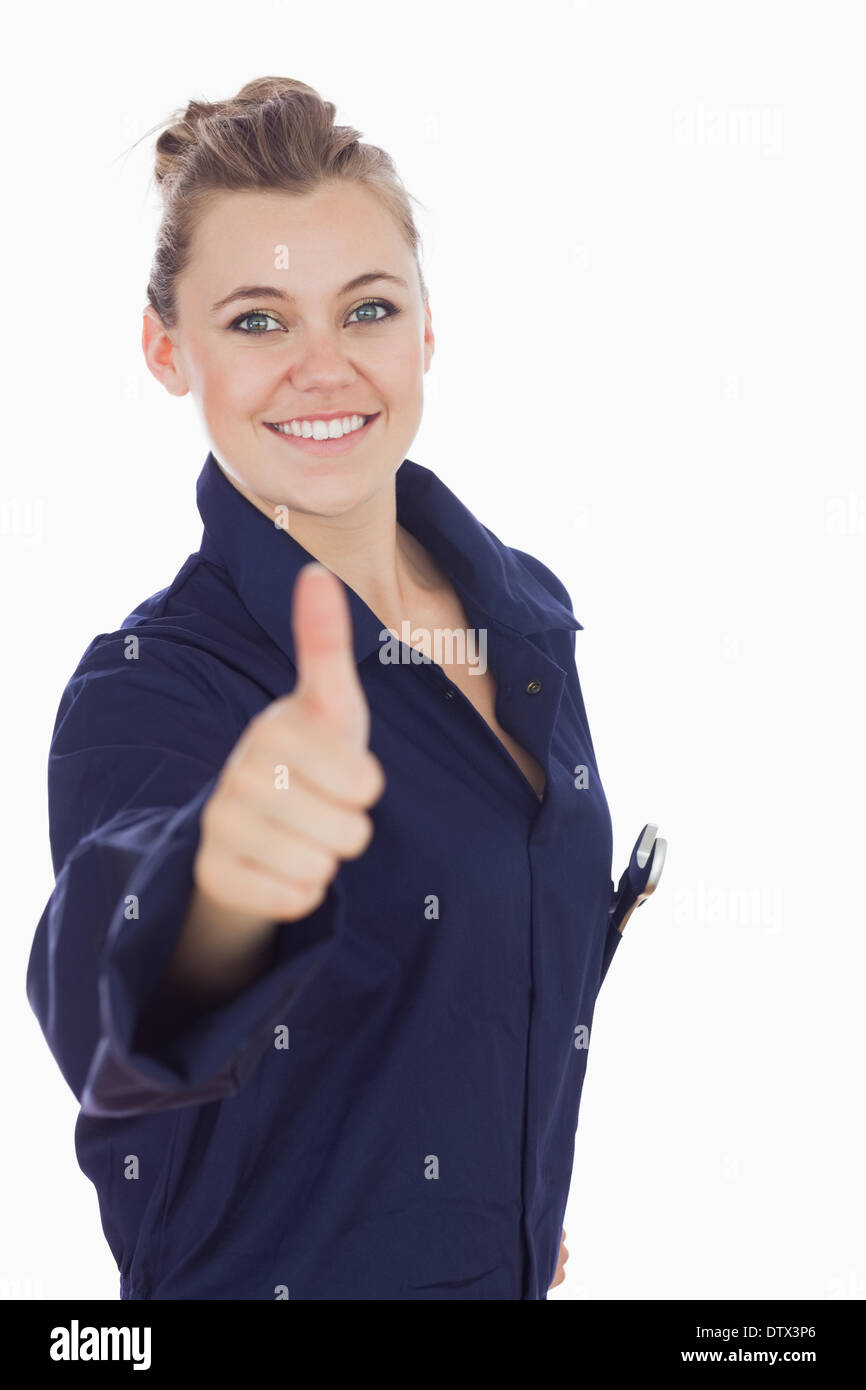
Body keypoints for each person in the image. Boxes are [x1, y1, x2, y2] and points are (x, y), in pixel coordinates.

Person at [25, 76, 623, 1301]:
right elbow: (122, 1007)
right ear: (165, 348)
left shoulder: (525, 620)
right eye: (255, 321)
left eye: (365, 308)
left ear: (425, 332)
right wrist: (223, 881)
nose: (322, 366)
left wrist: (499, 1221)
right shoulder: (150, 694)